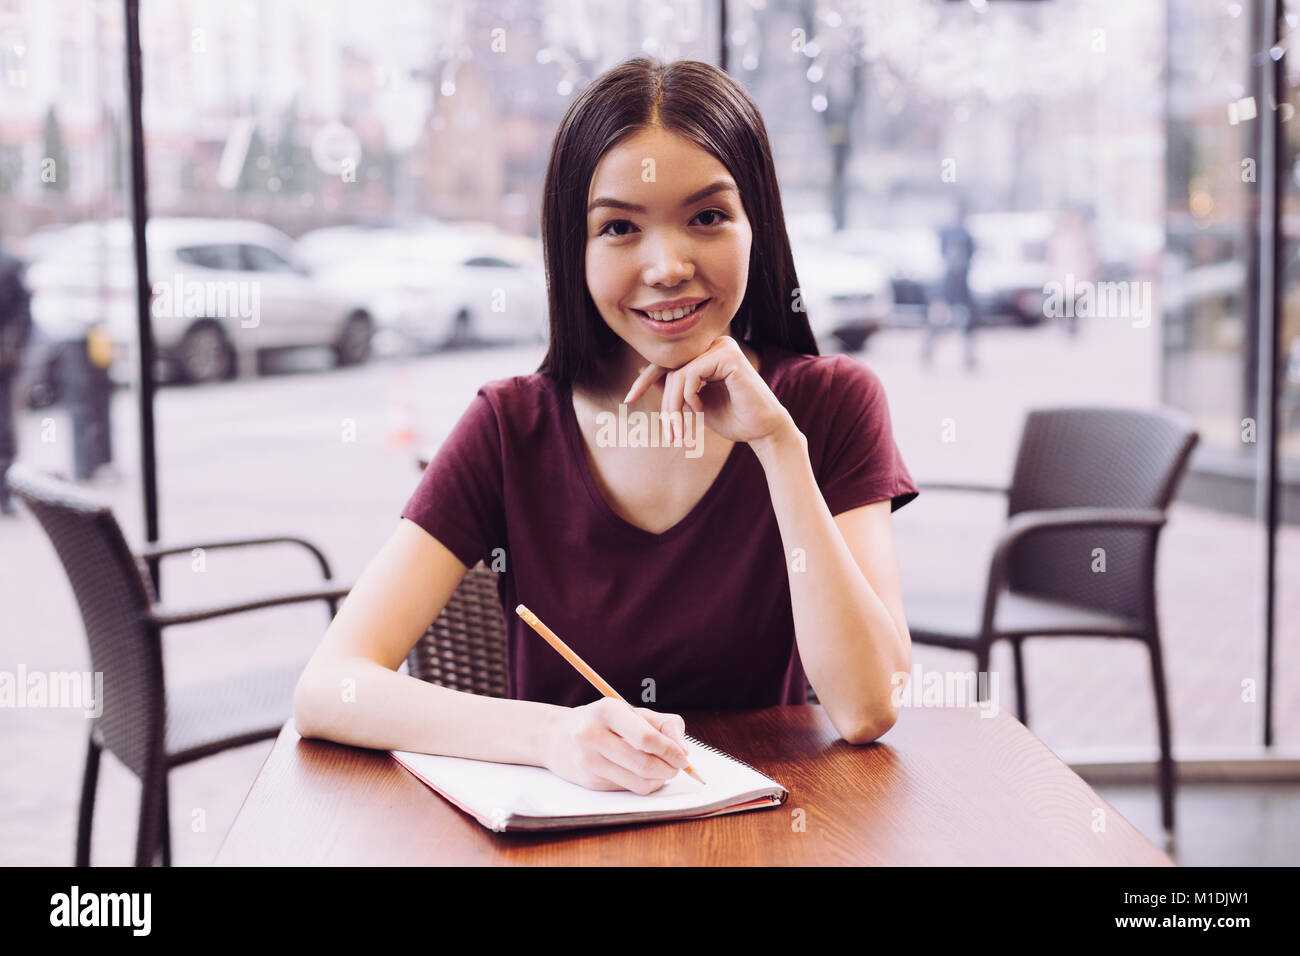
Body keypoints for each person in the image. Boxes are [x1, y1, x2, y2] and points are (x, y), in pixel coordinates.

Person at [293, 58, 920, 795]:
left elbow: (869, 706)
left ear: (760, 227)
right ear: (574, 249)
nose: (667, 266)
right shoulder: (510, 427)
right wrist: (550, 734)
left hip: (763, 833)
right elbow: (328, 688)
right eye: (619, 227)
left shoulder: (829, 404)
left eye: (708, 217)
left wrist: (780, 451)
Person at [923, 198, 978, 370]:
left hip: (951, 283)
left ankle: (929, 351)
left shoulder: (947, 232)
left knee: (943, 320)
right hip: (957, 283)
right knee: (960, 320)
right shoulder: (965, 233)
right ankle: (967, 357)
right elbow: (971, 255)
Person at [0, 243, 32, 516]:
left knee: (3, 431)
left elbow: (23, 309)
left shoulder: (8, 262)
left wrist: (11, 342)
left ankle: (3, 493)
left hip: (2, 363)